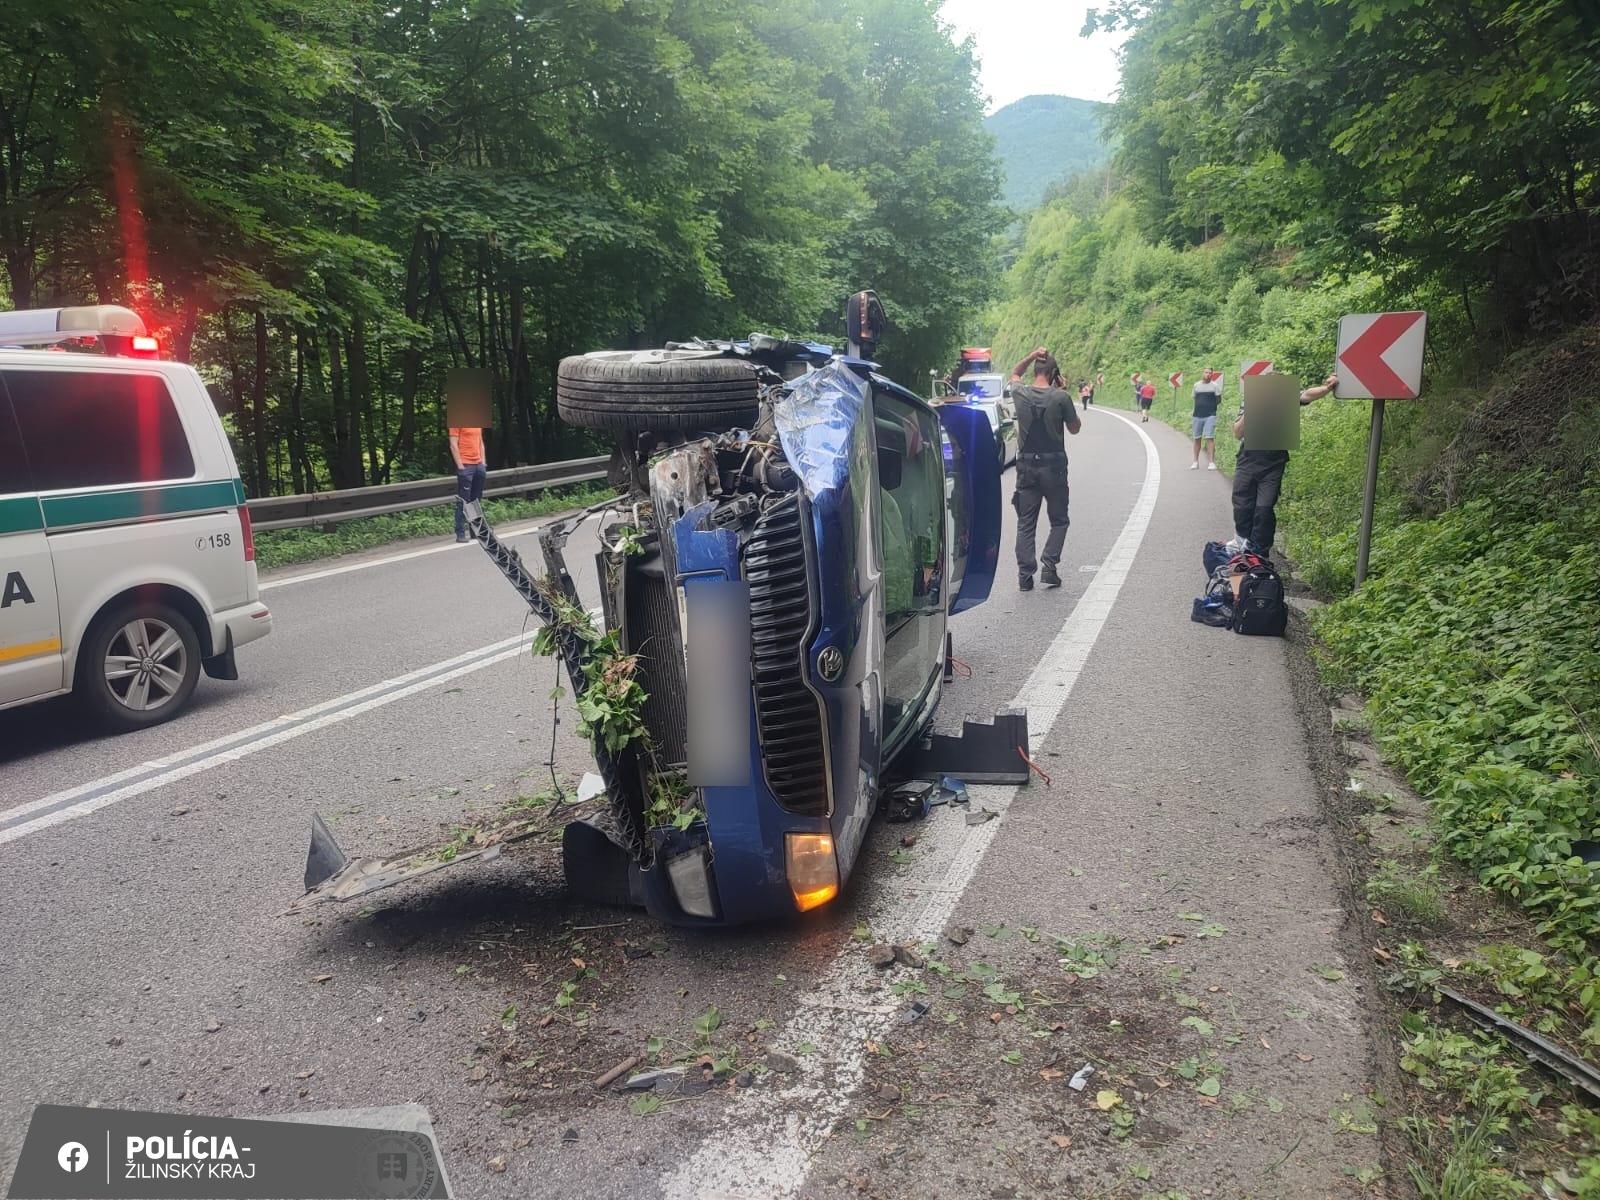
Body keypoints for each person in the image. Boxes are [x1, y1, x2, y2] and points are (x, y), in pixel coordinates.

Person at [1229, 372, 1337, 556]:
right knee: (1241, 506)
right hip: (1248, 458)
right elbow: (1238, 432)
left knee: (1263, 510)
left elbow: (1308, 394)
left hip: (1273, 463)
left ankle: (1259, 552)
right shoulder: (1250, 401)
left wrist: (1327, 388)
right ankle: (1241, 542)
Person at [1008, 347, 1081, 591]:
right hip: (1055, 468)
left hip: (1026, 467)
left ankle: (1025, 576)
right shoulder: (1061, 397)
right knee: (1059, 520)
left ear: (1037, 370)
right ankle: (1049, 565)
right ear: (1054, 373)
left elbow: (1015, 372)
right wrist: (1062, 390)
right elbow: (1074, 428)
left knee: (1026, 522)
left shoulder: (1020, 393)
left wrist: (1030, 354)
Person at [450, 422, 487, 542]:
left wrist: (483, 462)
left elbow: (480, 442)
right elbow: (453, 444)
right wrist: (460, 465)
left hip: (478, 465)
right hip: (466, 465)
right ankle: (460, 533)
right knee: (463, 501)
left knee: (475, 501)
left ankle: (475, 531)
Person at [1190, 367, 1225, 470]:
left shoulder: (1215, 386)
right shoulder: (1196, 385)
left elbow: (1218, 400)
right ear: (1203, 373)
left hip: (1210, 415)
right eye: (1206, 372)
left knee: (1209, 437)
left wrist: (1211, 407)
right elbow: (1195, 398)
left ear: (1212, 375)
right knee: (1197, 438)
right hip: (1197, 415)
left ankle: (1211, 462)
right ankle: (1195, 462)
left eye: (1210, 373)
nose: (1208, 374)